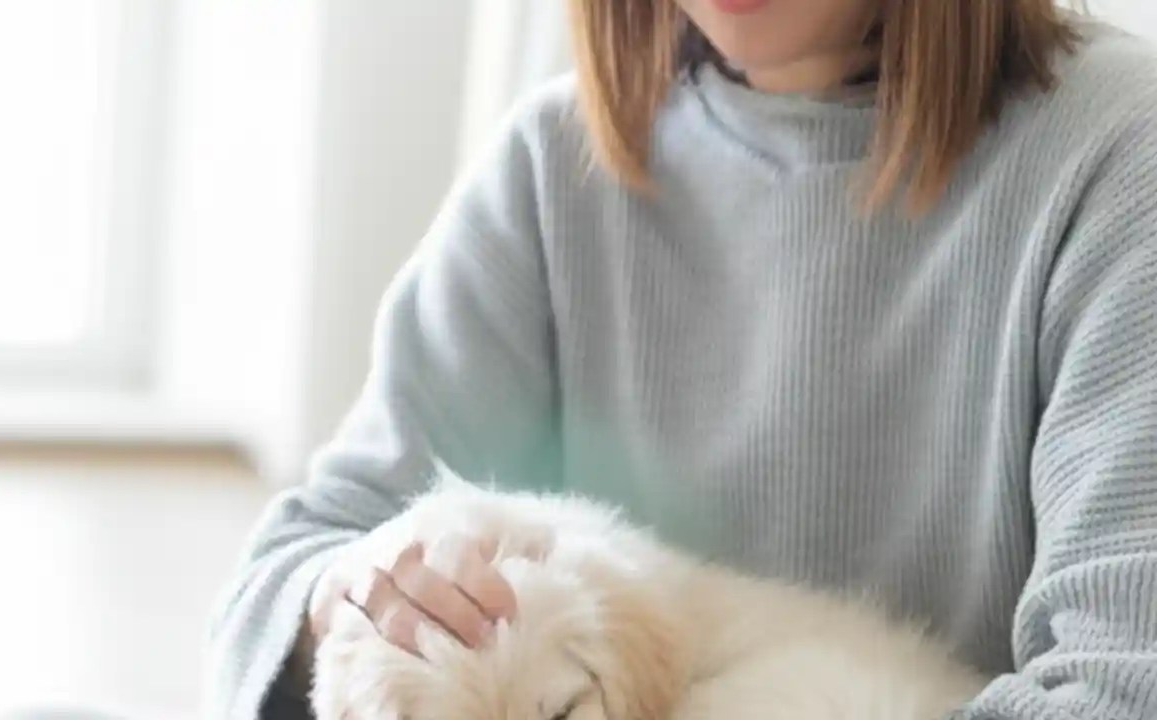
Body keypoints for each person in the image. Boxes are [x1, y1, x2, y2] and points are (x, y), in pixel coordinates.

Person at [207, 1, 1157, 718]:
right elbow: (287, 577)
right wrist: (357, 605)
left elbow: (1125, 683)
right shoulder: (552, 169)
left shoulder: (1116, 156)